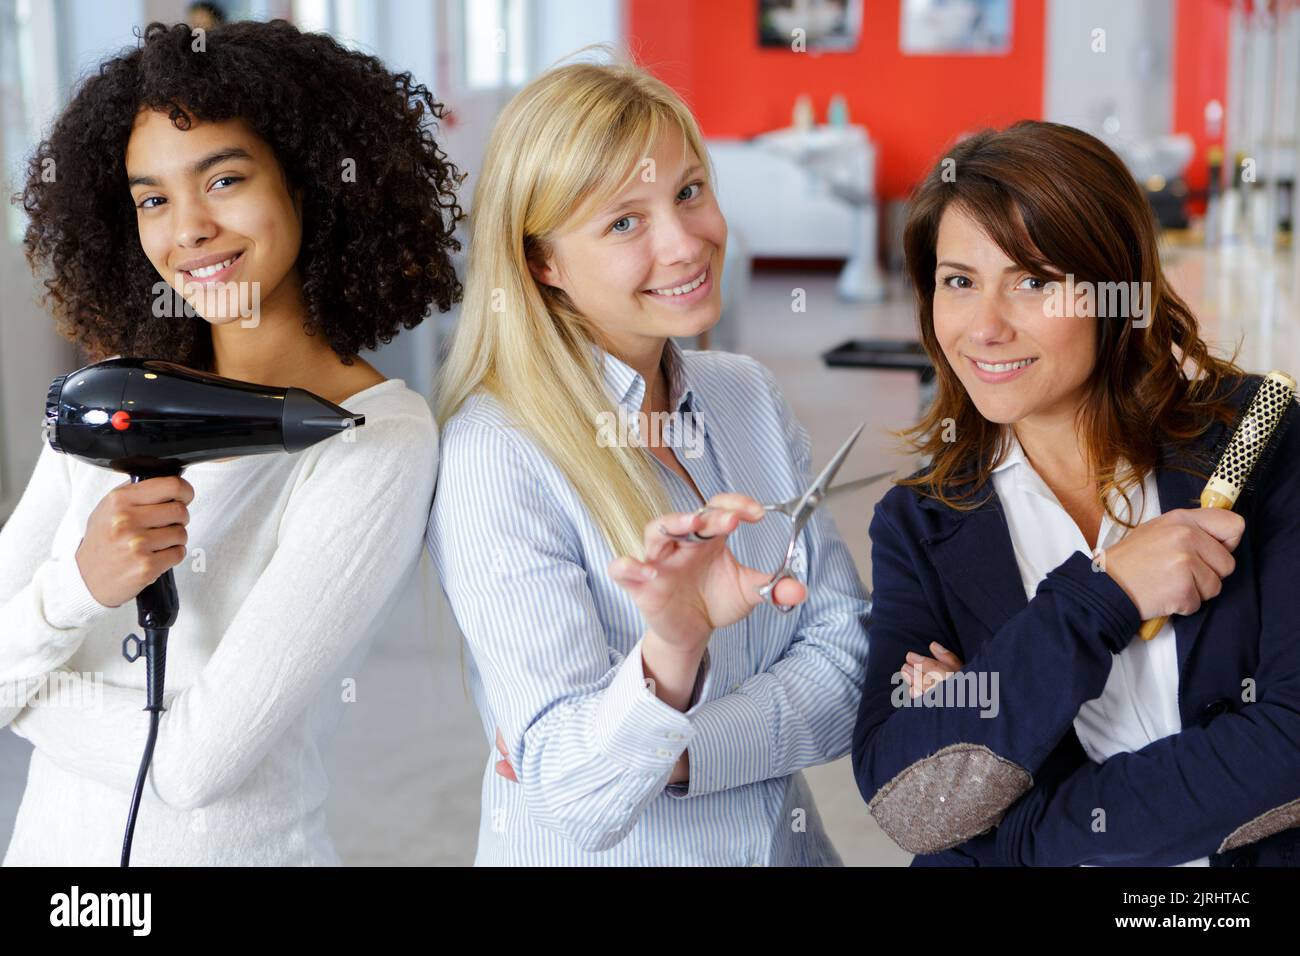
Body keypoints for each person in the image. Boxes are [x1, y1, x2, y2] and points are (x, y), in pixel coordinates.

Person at [0, 19, 462, 865]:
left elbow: (190, 763)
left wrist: (15, 682)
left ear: (311, 182)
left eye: (224, 178)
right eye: (152, 198)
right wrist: (75, 590)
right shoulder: (112, 395)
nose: (189, 229)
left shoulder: (374, 439)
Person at [428, 58, 871, 865]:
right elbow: (575, 795)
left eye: (690, 191)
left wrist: (675, 749)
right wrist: (673, 652)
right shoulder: (496, 454)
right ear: (543, 264)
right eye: (624, 222)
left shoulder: (747, 397)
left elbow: (849, 665)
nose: (684, 242)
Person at [851, 120, 1300, 867]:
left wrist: (1016, 826)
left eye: (1033, 281)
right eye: (959, 281)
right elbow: (911, 800)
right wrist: (1106, 594)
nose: (985, 328)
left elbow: (1289, 746)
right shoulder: (922, 521)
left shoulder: (1257, 441)